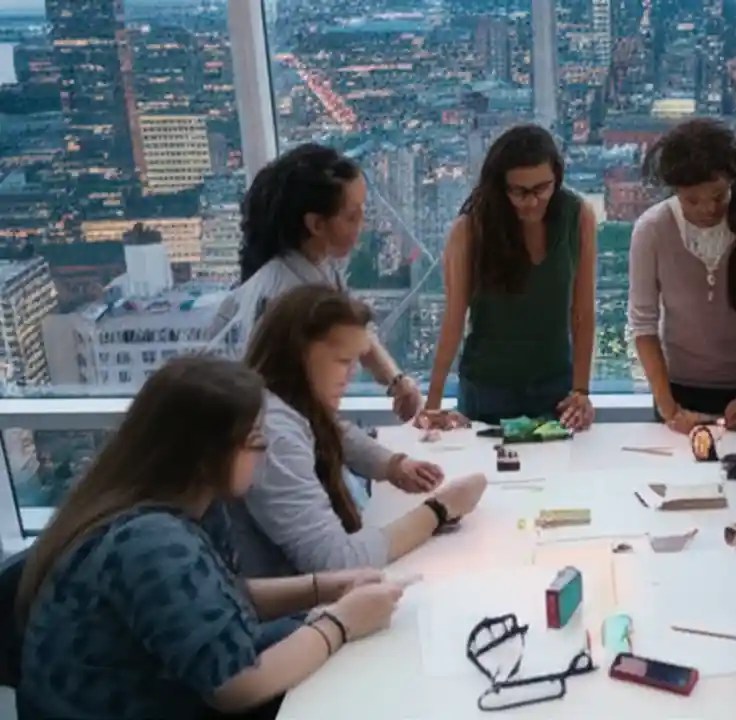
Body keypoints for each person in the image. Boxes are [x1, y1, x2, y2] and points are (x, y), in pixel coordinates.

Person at [16, 357, 407, 719]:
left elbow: (218, 595)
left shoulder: (187, 506)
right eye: (254, 437)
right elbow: (237, 683)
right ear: (207, 451)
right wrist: (342, 622)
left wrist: (322, 589)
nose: (264, 447)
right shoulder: (151, 541)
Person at [229, 284, 487, 578]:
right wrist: (439, 510)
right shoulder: (276, 436)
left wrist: (393, 465)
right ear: (298, 354)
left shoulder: (280, 406)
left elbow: (335, 431)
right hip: (294, 614)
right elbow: (337, 561)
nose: (351, 375)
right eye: (343, 361)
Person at [209, 143, 422, 422]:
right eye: (351, 216)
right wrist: (389, 464)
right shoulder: (286, 298)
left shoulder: (319, 266)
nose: (362, 225)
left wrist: (396, 381)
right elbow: (301, 415)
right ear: (316, 225)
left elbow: (355, 331)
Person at [418, 125, 597, 429]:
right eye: (519, 191)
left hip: (555, 387)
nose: (532, 201)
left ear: (557, 178)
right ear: (500, 187)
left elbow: (582, 312)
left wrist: (581, 390)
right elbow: (454, 319)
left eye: (542, 188)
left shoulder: (576, 215)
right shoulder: (471, 229)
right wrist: (432, 404)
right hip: (487, 389)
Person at [629, 118, 736, 433]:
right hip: (676, 389)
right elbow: (643, 324)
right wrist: (670, 409)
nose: (707, 208)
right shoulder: (652, 230)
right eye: (691, 199)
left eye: (719, 196)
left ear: (734, 182)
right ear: (675, 190)